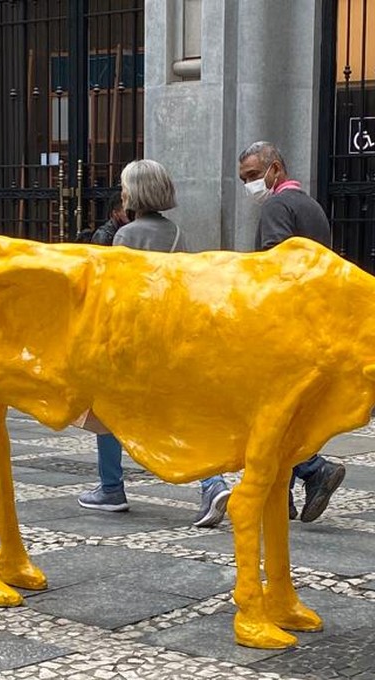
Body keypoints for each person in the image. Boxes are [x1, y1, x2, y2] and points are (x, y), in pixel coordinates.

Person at [77, 158, 232, 528]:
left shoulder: (126, 236)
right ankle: (211, 480)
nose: (122, 192)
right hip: (171, 337)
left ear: (137, 192)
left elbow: (116, 294)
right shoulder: (177, 234)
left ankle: (113, 487)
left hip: (134, 340)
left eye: (125, 185)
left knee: (107, 410)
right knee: (172, 415)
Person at [237, 140, 346, 523]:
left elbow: (275, 262)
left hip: (282, 325)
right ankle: (282, 495)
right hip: (310, 320)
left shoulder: (277, 205)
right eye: (244, 179)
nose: (250, 185)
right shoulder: (311, 206)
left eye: (253, 176)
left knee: (268, 413)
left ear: (276, 169)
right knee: (281, 413)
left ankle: (314, 470)